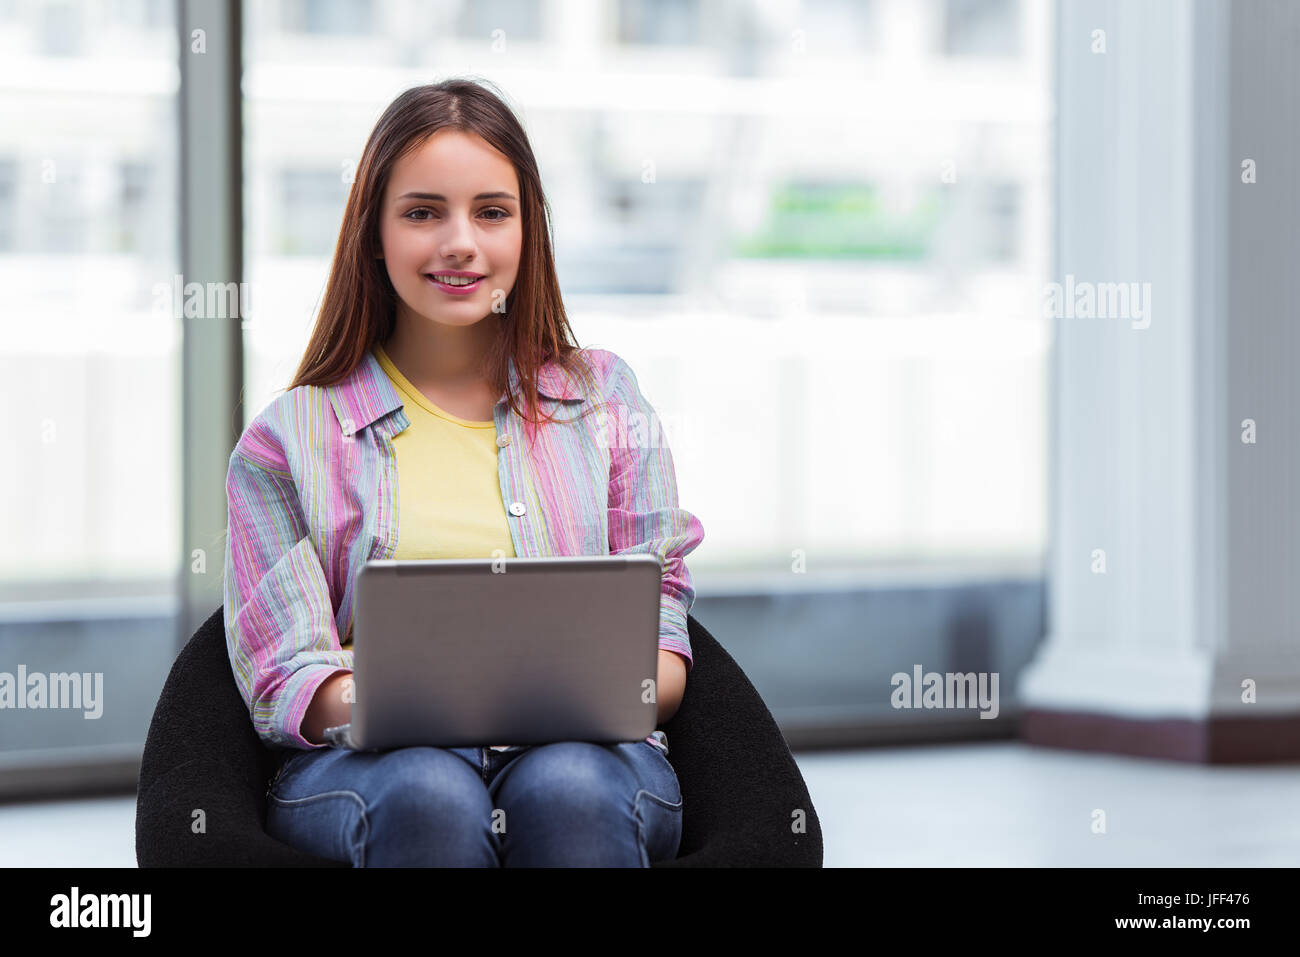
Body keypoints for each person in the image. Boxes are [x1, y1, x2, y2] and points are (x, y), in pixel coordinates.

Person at [222, 77, 705, 867]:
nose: (461, 243)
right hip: (373, 769)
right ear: (373, 235)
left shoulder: (607, 398)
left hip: (588, 755)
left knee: (572, 788)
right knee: (428, 792)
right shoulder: (287, 442)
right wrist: (387, 702)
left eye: (491, 211)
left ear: (527, 232)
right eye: (422, 212)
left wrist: (608, 686)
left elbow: (663, 625)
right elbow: (285, 676)